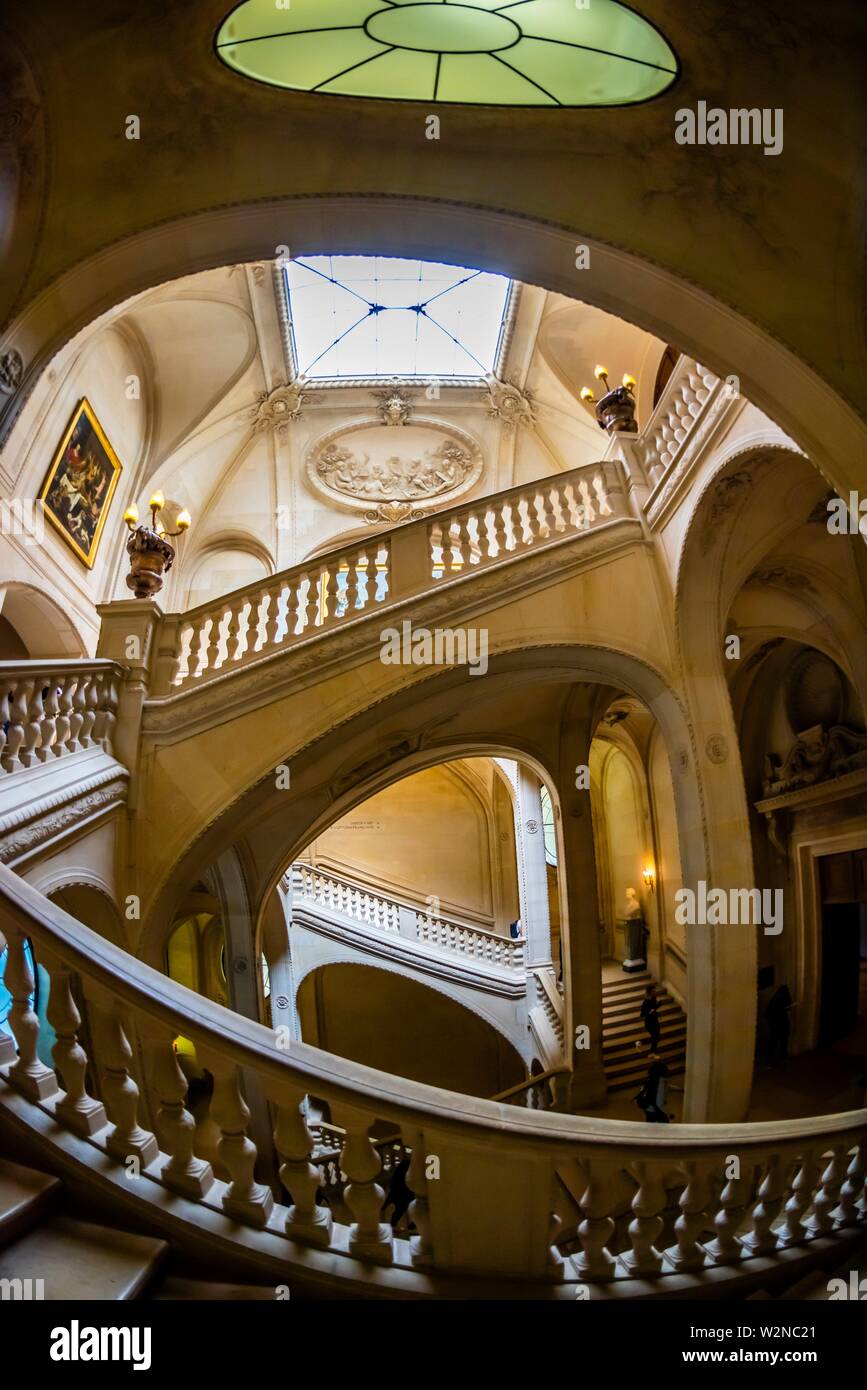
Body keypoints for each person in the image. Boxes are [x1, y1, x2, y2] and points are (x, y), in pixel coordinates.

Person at [381, 1156, 414, 1232]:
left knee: (399, 1210)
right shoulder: (408, 1171)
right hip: (405, 1195)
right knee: (401, 1211)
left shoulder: (401, 1169)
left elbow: (392, 1192)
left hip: (401, 1193)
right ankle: (395, 1225)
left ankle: (394, 1224)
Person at [764, 984, 793, 1064]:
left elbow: (768, 1013)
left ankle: (772, 1059)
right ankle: (778, 1058)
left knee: (775, 1041)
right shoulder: (778, 999)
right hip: (779, 1023)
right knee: (779, 1041)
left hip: (777, 1023)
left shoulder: (776, 998)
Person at [639, 984, 661, 1055]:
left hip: (655, 1020)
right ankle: (652, 1052)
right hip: (649, 1022)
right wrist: (651, 1011)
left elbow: (654, 1008)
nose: (655, 992)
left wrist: (658, 1005)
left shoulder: (654, 998)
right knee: (655, 1037)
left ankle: (650, 1050)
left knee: (656, 1036)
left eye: (655, 991)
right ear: (649, 992)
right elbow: (642, 1014)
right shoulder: (646, 1002)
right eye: (653, 991)